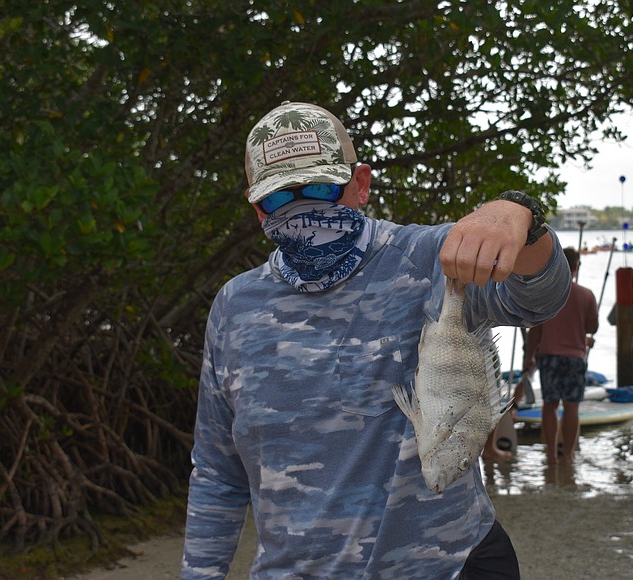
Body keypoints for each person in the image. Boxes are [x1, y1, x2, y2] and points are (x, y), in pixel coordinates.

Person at [181, 101, 571, 579]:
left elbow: (537, 299)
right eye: (279, 198)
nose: (304, 208)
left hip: (451, 567)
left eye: (322, 188)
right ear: (256, 205)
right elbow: (217, 473)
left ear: (361, 183)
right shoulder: (234, 306)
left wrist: (517, 216)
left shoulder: (430, 258)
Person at [520, 247, 598, 465]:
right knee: (572, 407)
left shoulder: (546, 295)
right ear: (576, 267)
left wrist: (529, 357)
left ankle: (552, 454)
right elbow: (592, 327)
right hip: (575, 357)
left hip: (549, 356)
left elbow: (535, 330)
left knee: (550, 405)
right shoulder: (587, 295)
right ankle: (568, 457)